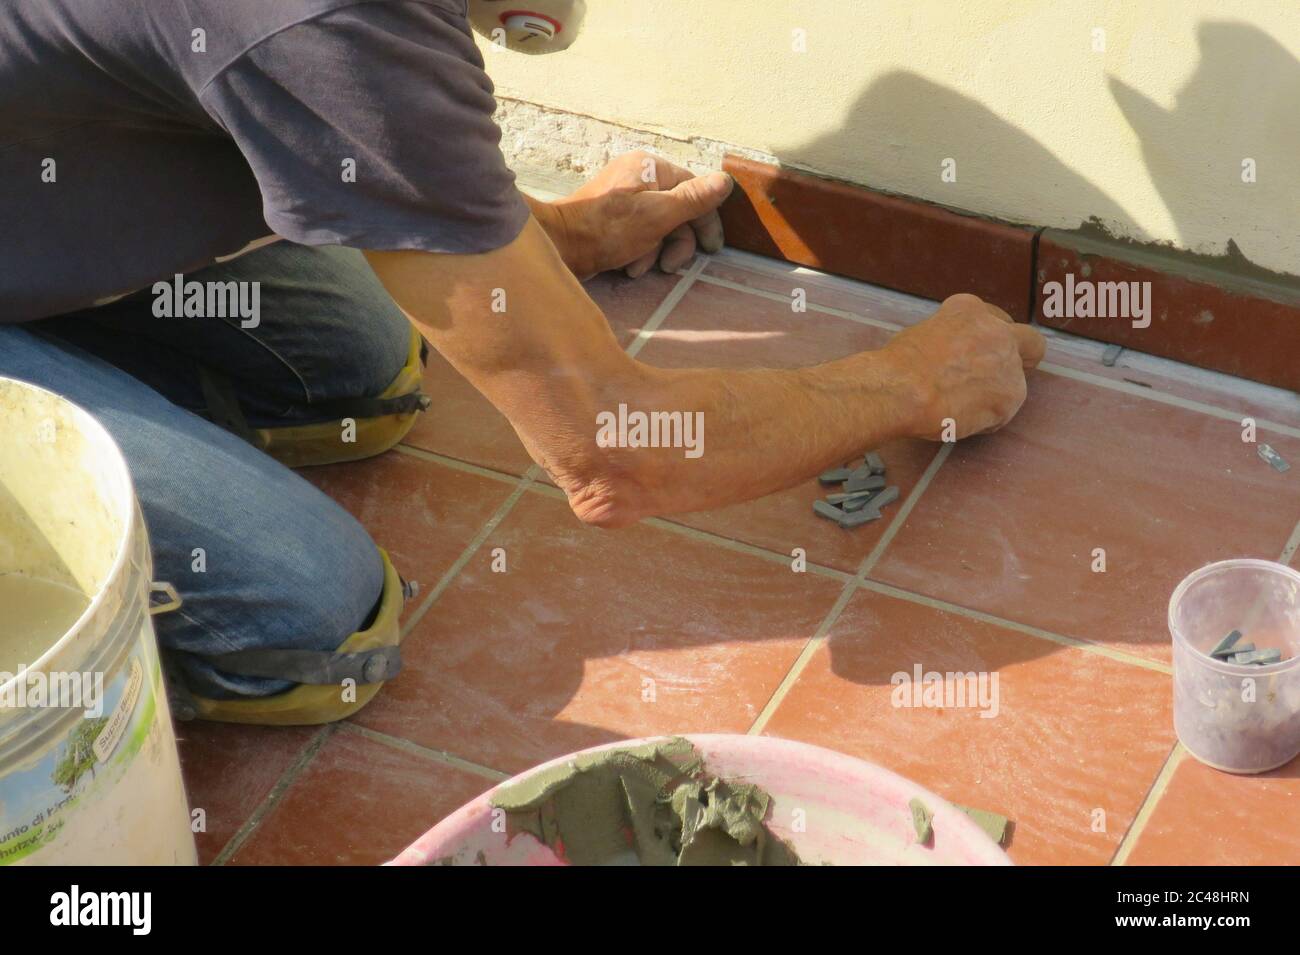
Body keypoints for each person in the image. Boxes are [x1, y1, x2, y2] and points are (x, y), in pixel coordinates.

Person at [0, 0, 1045, 724]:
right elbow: (614, 454)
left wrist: (555, 237)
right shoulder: (329, 22)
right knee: (315, 624)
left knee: (358, 372)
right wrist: (912, 381)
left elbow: (307, 105)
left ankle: (73, 356)